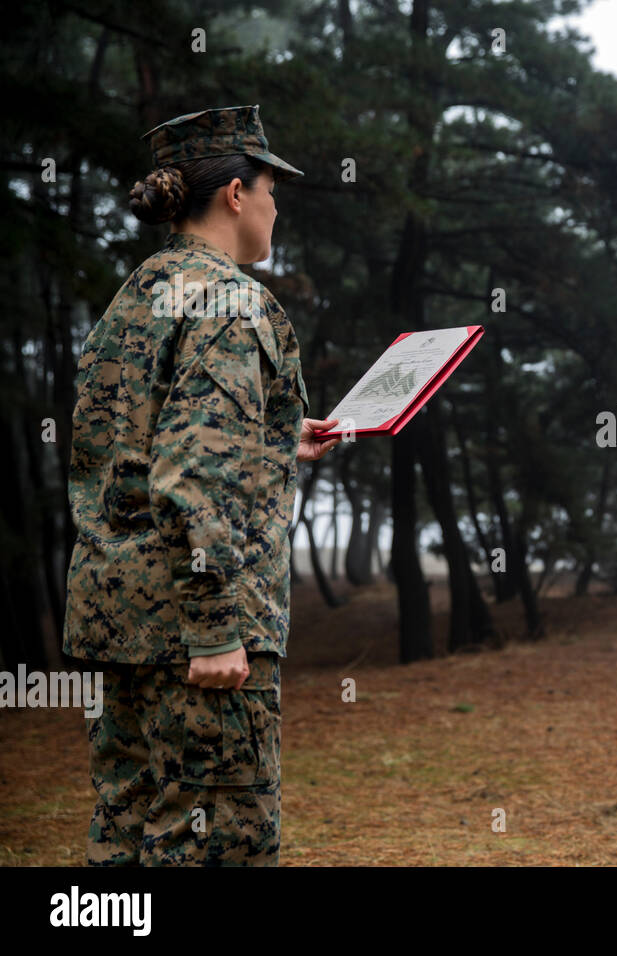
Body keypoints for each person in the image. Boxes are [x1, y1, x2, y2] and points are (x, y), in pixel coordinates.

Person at [63, 105, 340, 866]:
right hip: (196, 639)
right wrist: (217, 626)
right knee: (215, 842)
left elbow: (132, 449)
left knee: (126, 836)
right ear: (235, 195)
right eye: (272, 188)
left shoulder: (135, 297)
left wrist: (281, 438)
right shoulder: (230, 304)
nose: (278, 205)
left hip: (119, 624)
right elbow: (190, 477)